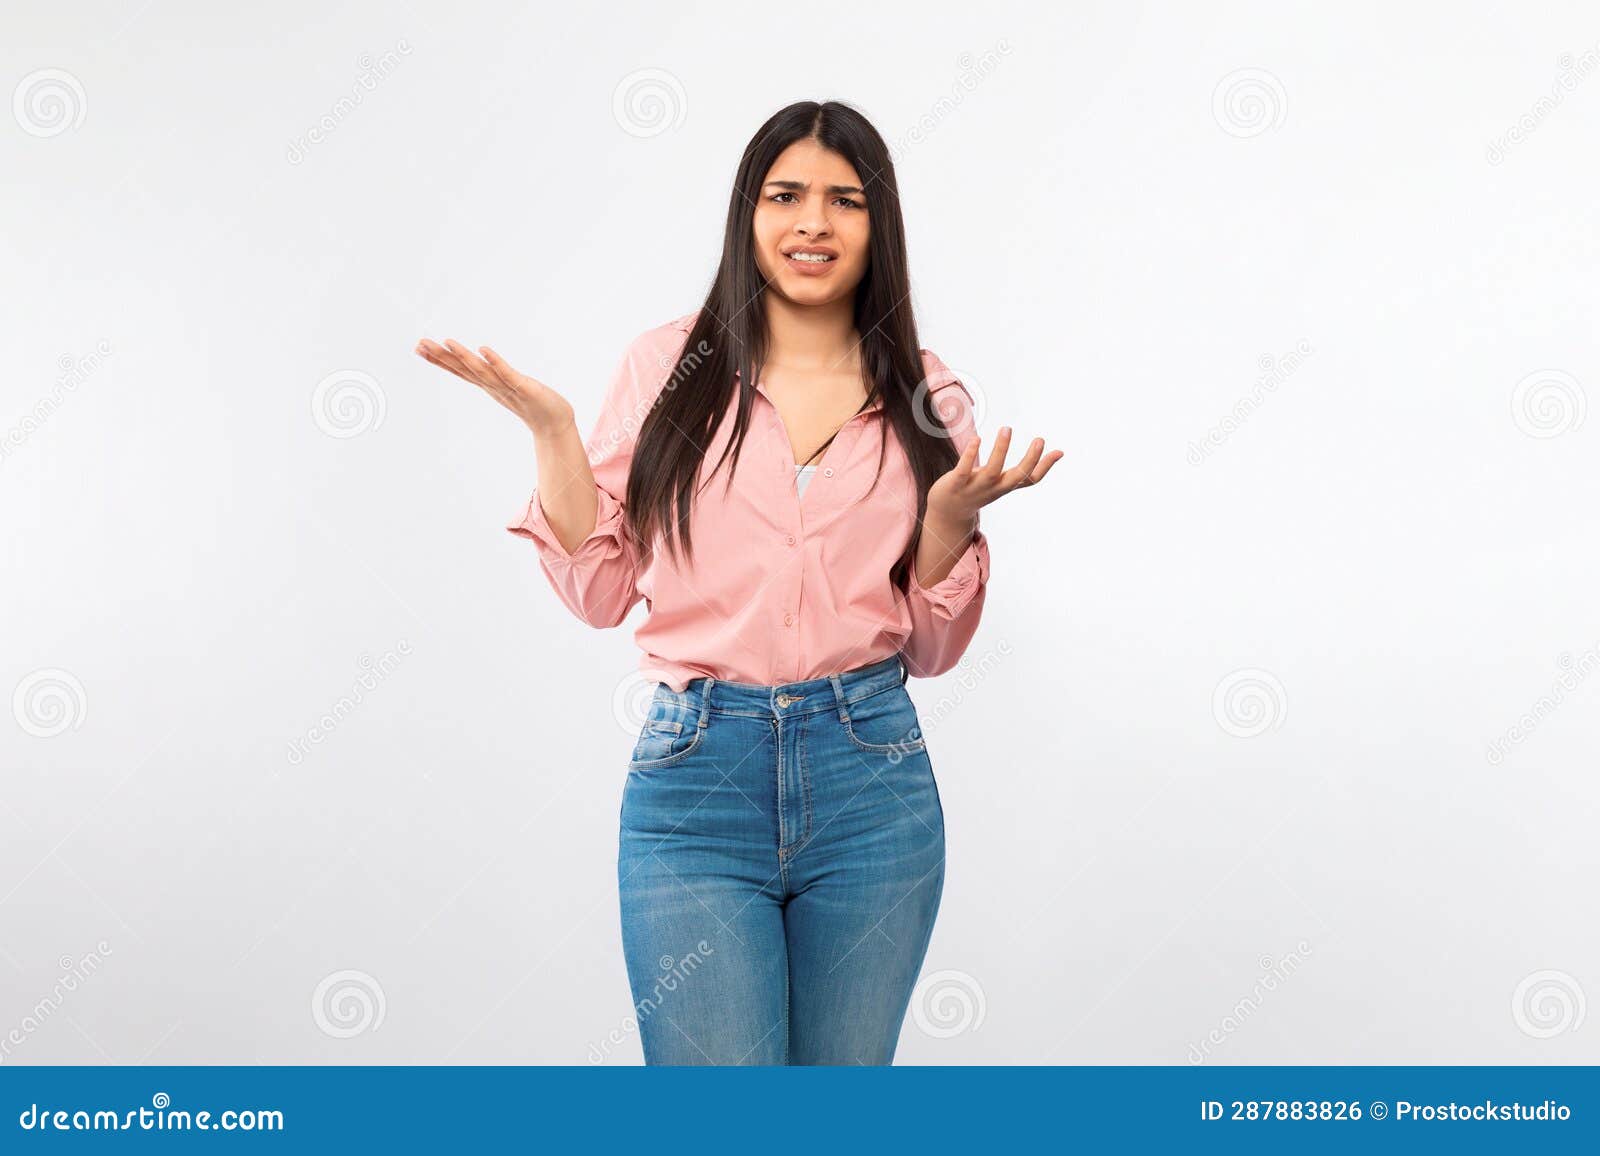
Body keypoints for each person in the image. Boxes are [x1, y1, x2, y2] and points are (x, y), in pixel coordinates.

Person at [415, 100, 1060, 1064]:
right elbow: (599, 593)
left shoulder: (932, 395)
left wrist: (950, 522)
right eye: (785, 195)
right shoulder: (668, 366)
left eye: (845, 200)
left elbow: (930, 650)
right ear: (746, 213)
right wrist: (554, 433)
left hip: (870, 784)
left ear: (879, 226)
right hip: (696, 785)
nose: (813, 223)